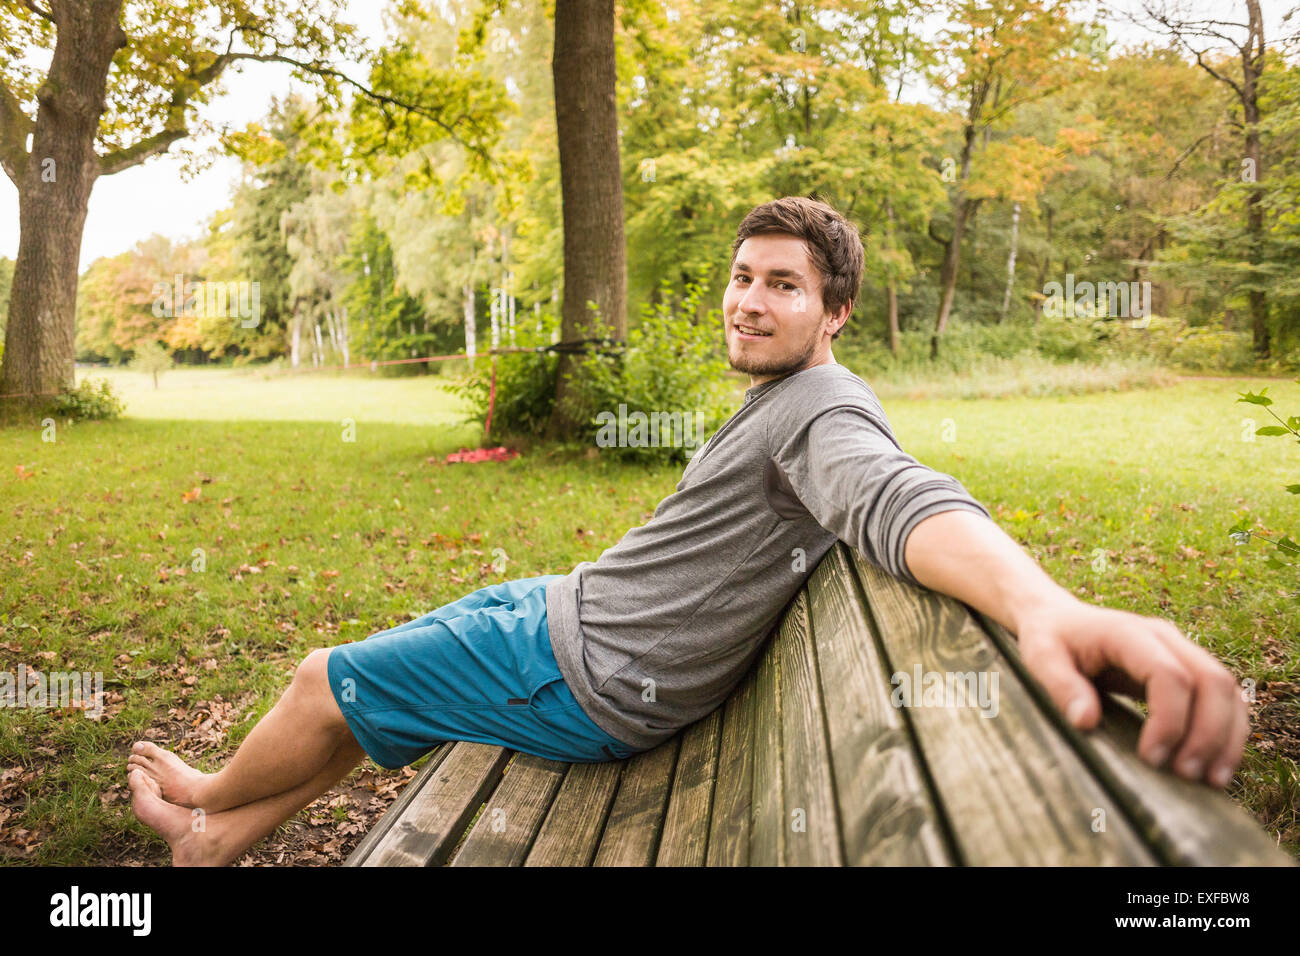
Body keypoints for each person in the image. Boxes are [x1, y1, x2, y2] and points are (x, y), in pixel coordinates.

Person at [128, 196, 1249, 866]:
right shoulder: (787, 395)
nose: (747, 302)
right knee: (386, 692)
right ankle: (219, 840)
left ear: (836, 311)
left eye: (783, 287)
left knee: (326, 678)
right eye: (740, 277)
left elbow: (895, 494)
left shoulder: (825, 412)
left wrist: (1048, 605)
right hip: (567, 614)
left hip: (582, 676)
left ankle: (211, 793)